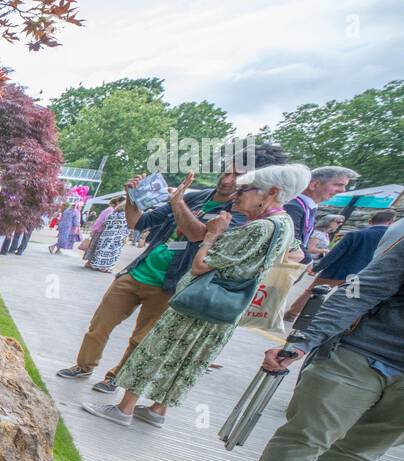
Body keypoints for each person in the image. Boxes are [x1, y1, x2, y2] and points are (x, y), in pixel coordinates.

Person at [82, 164, 309, 427]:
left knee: (156, 349)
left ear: (271, 192)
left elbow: (202, 264)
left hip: (199, 299)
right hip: (225, 306)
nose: (238, 192)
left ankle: (124, 408)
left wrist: (212, 236)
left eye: (246, 188)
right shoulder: (284, 224)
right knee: (188, 359)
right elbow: (296, 254)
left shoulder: (258, 227)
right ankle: (157, 411)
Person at [56, 143, 289, 393]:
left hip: (172, 283)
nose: (228, 179)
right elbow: (139, 222)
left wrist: (177, 201)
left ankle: (116, 377)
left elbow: (197, 235)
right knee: (99, 325)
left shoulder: (241, 214)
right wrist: (132, 198)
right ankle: (84, 366)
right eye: (227, 171)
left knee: (141, 338)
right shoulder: (196, 196)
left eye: (237, 176)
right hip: (139, 270)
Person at [234, 226, 404, 461]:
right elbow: (359, 290)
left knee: (363, 450)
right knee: (312, 430)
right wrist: (305, 340)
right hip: (362, 350)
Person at [283, 211, 398, 321]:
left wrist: (316, 268)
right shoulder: (392, 240)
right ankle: (326, 322)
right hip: (360, 275)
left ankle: (292, 314)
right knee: (346, 300)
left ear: (370, 221)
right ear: (390, 222)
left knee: (312, 292)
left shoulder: (356, 235)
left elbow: (335, 253)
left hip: (336, 271)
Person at [285, 165, 353, 262]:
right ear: (314, 184)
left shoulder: (308, 207)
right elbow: (290, 241)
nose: (343, 190)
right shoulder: (293, 206)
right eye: (338, 184)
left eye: (344, 185)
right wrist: (308, 261)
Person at [88, 204, 128, 272]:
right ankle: (106, 267)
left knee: (101, 250)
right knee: (112, 252)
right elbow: (126, 226)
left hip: (105, 235)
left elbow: (105, 223)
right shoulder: (125, 216)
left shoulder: (111, 214)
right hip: (117, 236)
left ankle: (95, 265)